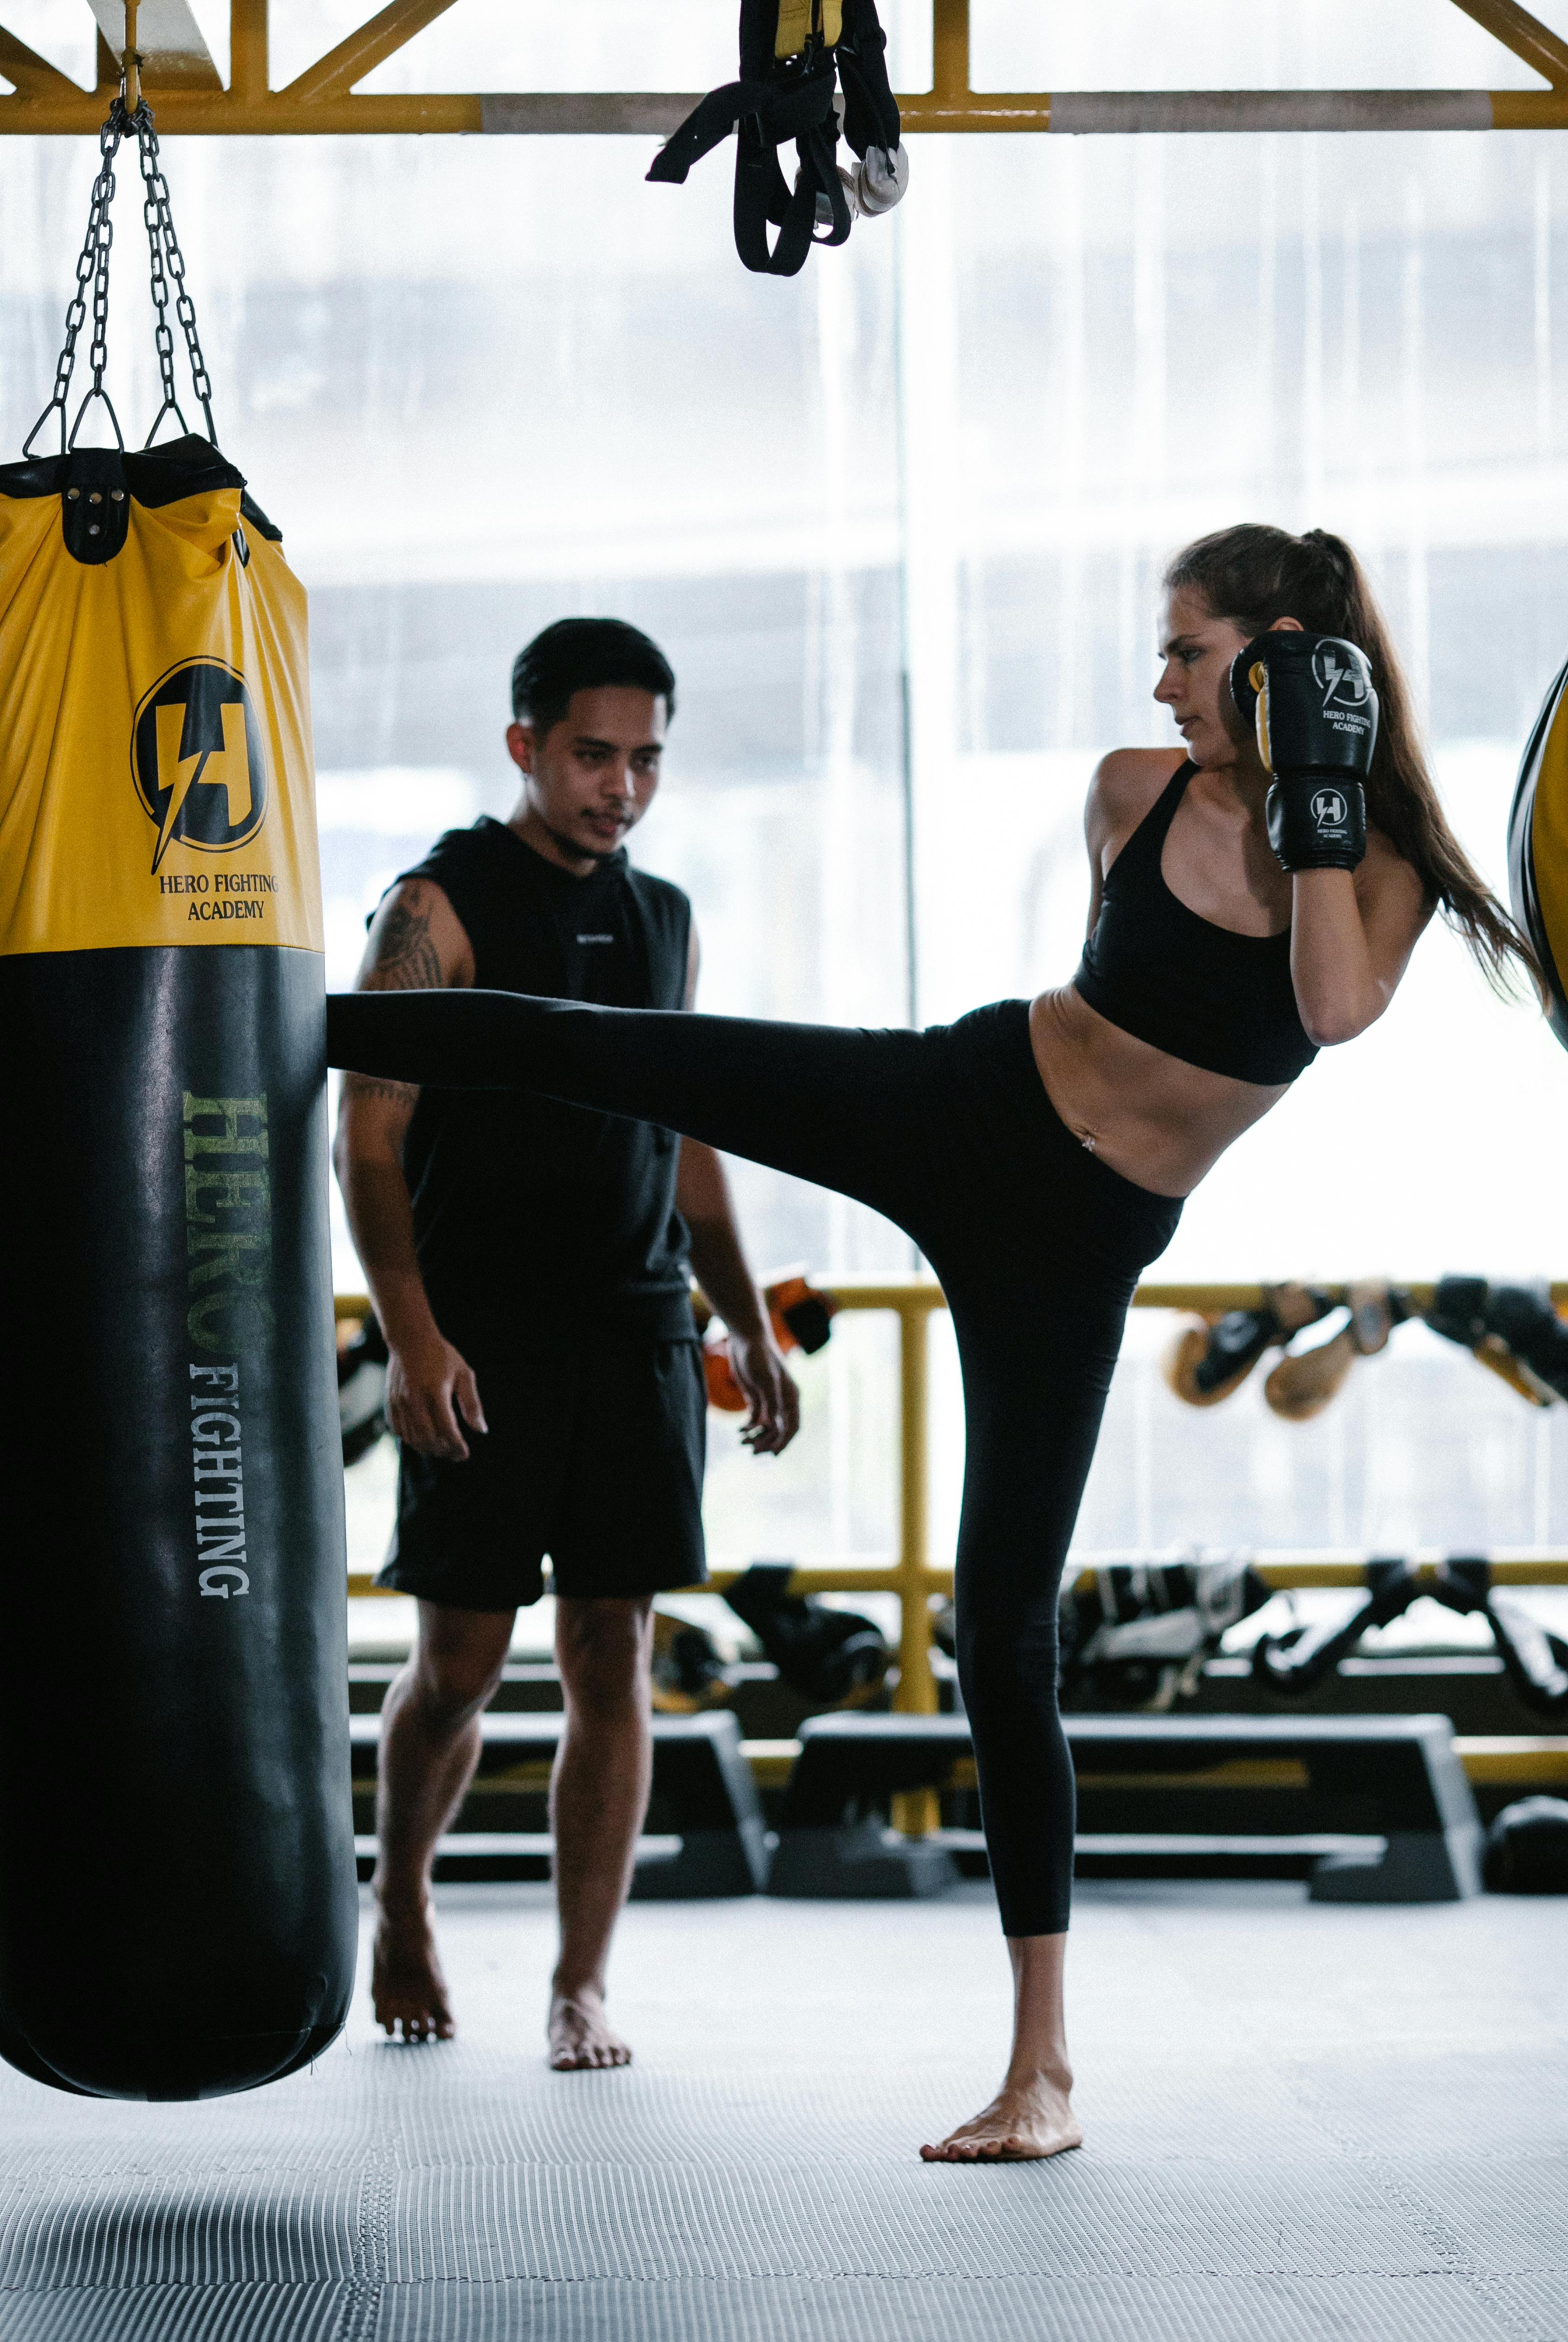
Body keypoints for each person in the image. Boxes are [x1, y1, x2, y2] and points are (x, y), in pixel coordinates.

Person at [327, 526, 1536, 2155]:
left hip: (1078, 1248)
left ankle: (1041, 2074)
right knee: (627, 1058)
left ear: (1278, 657)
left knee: (1000, 1631)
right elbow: (1130, 993)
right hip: (969, 1107)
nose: (1158, 682)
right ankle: (261, 1012)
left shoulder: (1373, 866)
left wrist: (1322, 785)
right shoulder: (1137, 788)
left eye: (1187, 651)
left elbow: (1325, 1008)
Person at [334, 617, 799, 2069]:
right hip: (482, 1341)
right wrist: (411, 1341)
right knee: (462, 1663)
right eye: (595, 756)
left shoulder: (665, 916)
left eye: (647, 759)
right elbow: (368, 1136)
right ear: (526, 744)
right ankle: (400, 1903)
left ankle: (579, 1982)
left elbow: (691, 1132)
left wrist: (742, 1315)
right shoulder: (441, 904)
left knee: (618, 1652)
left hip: (638, 1328)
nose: (623, 787)